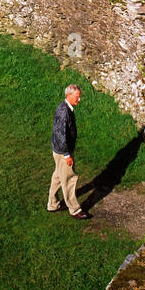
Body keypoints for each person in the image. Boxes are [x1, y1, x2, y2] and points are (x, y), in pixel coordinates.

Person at [47, 85, 90, 219]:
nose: (79, 99)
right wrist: (67, 155)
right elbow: (60, 135)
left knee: (58, 177)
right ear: (69, 96)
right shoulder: (64, 112)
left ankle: (53, 204)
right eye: (77, 97)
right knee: (69, 179)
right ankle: (75, 209)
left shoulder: (65, 108)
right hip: (62, 152)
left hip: (59, 150)